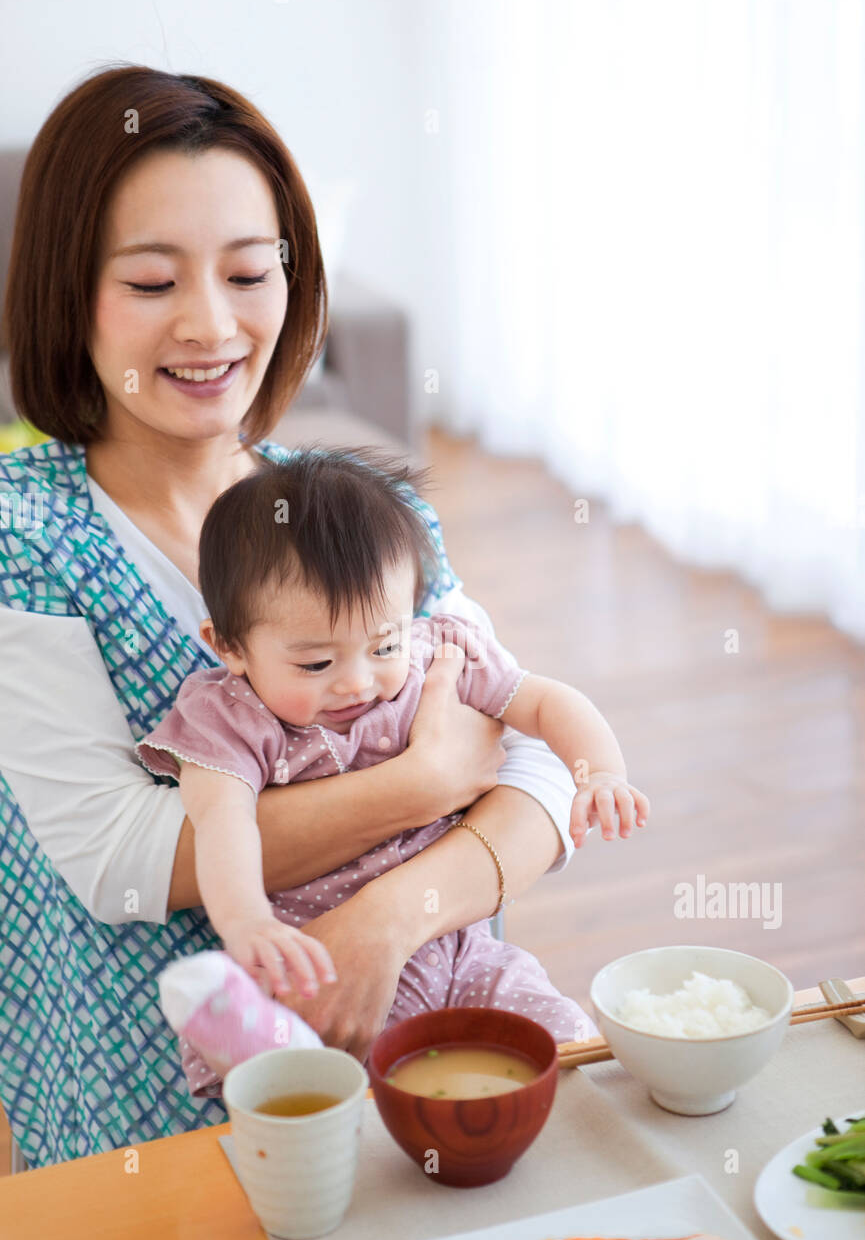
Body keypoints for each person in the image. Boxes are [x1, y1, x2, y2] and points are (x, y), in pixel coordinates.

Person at [0, 64, 638, 1168]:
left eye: (249, 271)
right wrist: (427, 781)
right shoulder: (26, 540)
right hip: (153, 1091)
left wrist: (382, 925)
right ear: (68, 292)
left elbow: (533, 762)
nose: (210, 325)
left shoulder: (354, 511)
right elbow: (121, 854)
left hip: (422, 1034)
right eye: (152, 284)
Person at [136, 449, 649, 1097]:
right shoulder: (230, 717)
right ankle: (267, 1046)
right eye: (315, 664)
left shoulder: (439, 650)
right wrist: (246, 923)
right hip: (329, 967)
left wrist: (598, 770)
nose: (357, 681)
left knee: (570, 1050)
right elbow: (221, 821)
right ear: (229, 648)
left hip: (460, 945)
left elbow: (545, 700)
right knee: (382, 1096)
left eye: (382, 646)